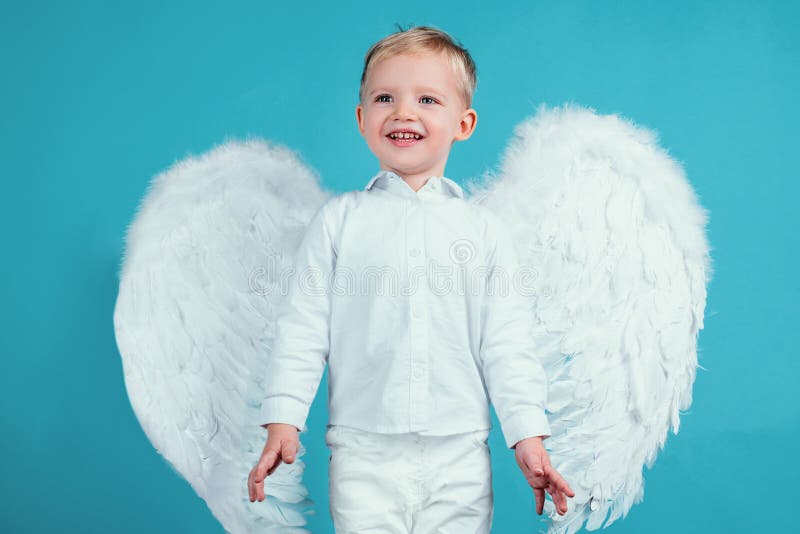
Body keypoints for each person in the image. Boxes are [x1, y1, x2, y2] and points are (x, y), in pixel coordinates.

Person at [247, 24, 574, 532]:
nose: (404, 112)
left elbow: (507, 343)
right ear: (361, 119)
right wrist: (284, 416)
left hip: (460, 454)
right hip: (362, 451)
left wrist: (529, 434)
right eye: (385, 97)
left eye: (427, 98)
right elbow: (303, 328)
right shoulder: (340, 220)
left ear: (463, 123)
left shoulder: (483, 230)